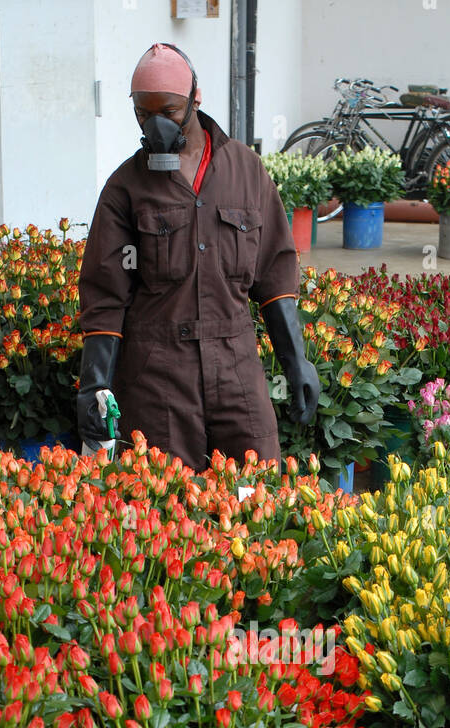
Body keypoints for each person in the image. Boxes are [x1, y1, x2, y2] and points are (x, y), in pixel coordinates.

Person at [77, 41, 319, 470]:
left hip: (237, 366)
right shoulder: (125, 188)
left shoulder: (246, 171)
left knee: (253, 494)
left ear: (195, 98)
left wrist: (295, 361)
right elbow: (105, 296)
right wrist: (95, 386)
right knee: (166, 507)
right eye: (142, 114)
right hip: (157, 375)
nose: (155, 126)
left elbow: (275, 273)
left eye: (167, 112)